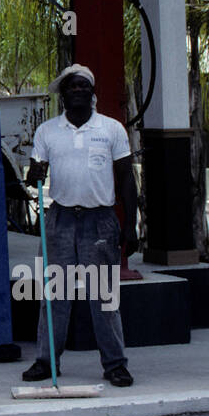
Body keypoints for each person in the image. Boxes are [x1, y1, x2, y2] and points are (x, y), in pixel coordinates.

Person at [22, 64, 139, 387]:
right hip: (60, 218)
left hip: (99, 220)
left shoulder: (112, 129)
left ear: (92, 92)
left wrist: (131, 224)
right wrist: (34, 174)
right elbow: (36, 171)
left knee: (103, 297)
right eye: (72, 87)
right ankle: (46, 362)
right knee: (54, 294)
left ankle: (115, 364)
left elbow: (127, 178)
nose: (78, 91)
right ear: (63, 94)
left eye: (84, 86)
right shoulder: (47, 131)